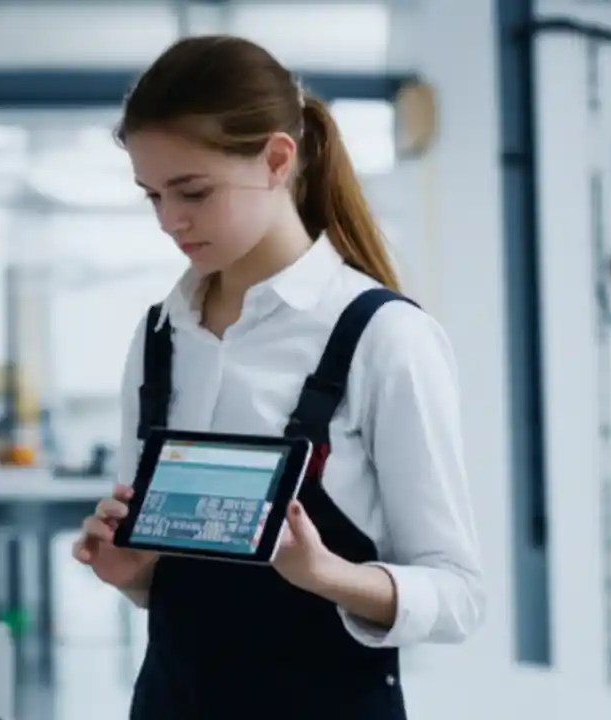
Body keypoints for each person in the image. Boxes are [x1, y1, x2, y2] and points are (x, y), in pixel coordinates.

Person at [71, 35, 485, 719]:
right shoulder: (158, 338)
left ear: (275, 160)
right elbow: (167, 572)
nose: (170, 221)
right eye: (152, 196)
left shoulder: (382, 337)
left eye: (193, 191)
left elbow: (458, 595)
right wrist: (133, 574)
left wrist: (326, 576)